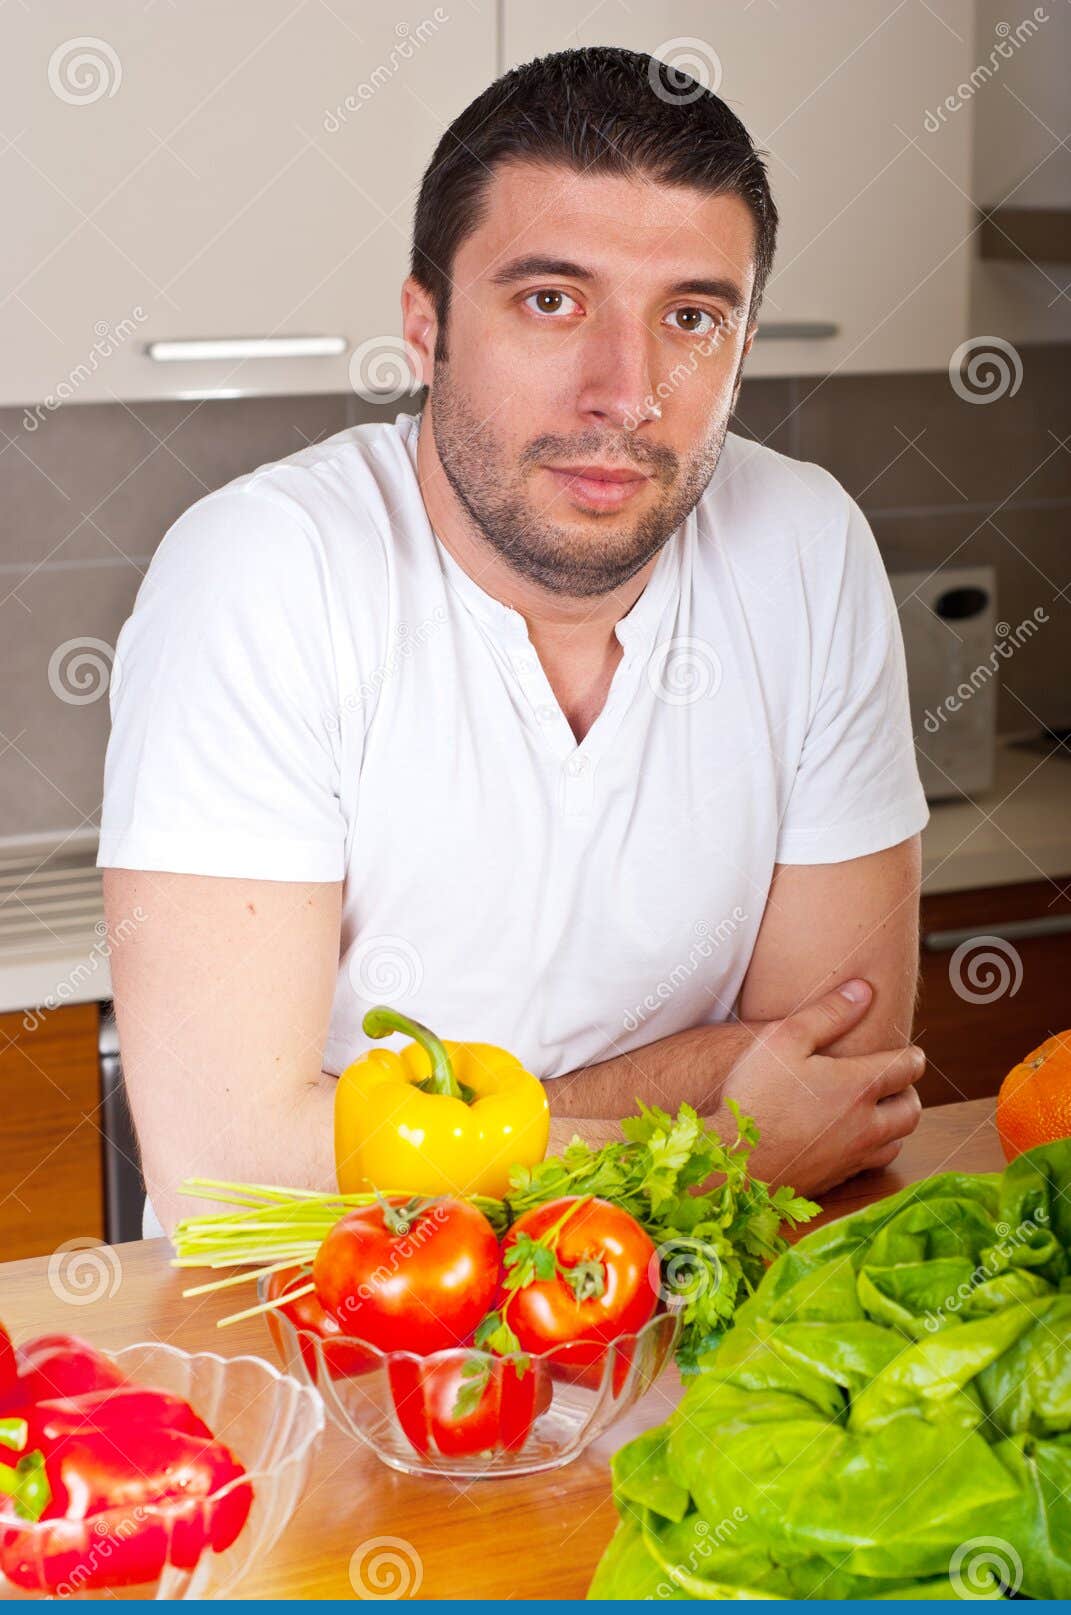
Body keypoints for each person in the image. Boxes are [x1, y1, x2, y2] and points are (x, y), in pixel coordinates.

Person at [98, 46, 929, 1238]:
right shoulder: (263, 574)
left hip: (693, 1335)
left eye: (691, 316)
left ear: (742, 345)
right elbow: (237, 1180)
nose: (623, 393)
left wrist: (401, 1134)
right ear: (424, 324)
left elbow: (842, 1082)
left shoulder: (805, 546)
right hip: (332, 1356)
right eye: (552, 300)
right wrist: (721, 1137)